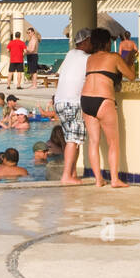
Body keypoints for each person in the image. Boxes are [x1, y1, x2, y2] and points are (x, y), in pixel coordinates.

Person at [81, 27, 136, 188]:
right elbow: (131, 76)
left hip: (86, 99)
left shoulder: (89, 59)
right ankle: (114, 179)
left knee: (93, 142)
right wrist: (131, 59)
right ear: (106, 43)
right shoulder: (114, 57)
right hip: (103, 99)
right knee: (113, 143)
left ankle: (98, 180)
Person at [54, 28, 93, 184]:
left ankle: (72, 174)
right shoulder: (87, 58)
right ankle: (66, 176)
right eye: (91, 41)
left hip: (60, 101)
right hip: (73, 102)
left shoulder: (70, 54)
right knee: (73, 140)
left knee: (73, 139)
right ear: (85, 41)